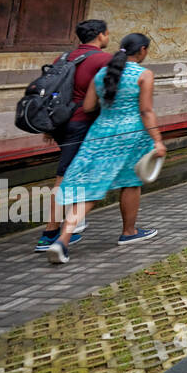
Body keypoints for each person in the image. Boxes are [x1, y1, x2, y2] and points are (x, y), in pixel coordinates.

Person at [47, 33, 165, 265]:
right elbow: (146, 111)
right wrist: (158, 140)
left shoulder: (102, 74)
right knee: (131, 182)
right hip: (131, 134)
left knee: (90, 188)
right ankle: (129, 232)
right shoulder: (144, 74)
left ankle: (62, 239)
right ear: (142, 50)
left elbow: (89, 106)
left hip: (100, 132)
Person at [34, 20, 113, 252]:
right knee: (64, 175)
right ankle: (50, 233)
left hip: (60, 122)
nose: (108, 36)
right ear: (100, 35)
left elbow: (50, 90)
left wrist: (49, 126)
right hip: (81, 122)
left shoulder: (64, 57)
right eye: (107, 33)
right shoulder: (102, 60)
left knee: (75, 171)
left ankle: (72, 224)